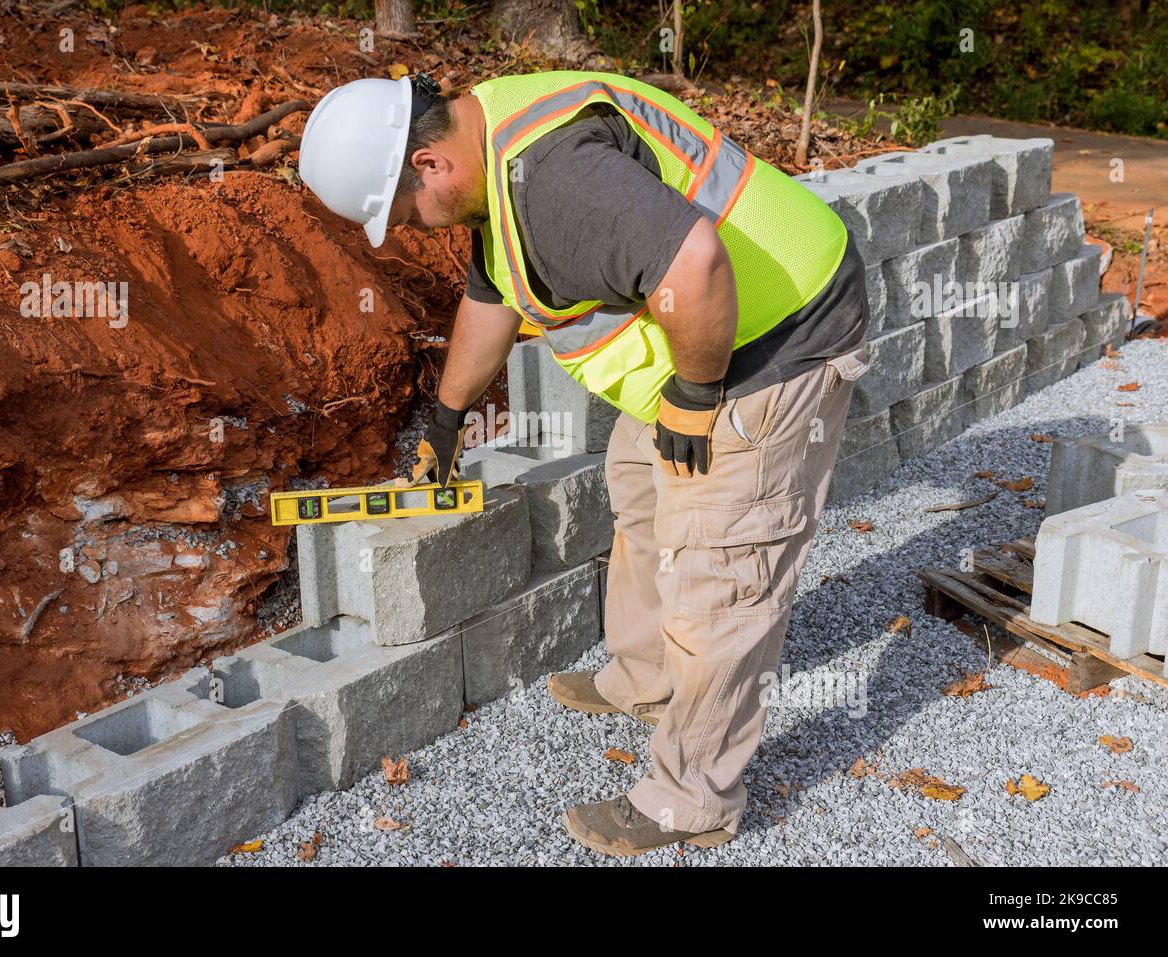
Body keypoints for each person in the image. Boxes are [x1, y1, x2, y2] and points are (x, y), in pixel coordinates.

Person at [297, 70, 871, 856]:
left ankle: (691, 798)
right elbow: (492, 297)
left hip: (775, 336)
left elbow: (697, 262)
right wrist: (445, 422)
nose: (410, 230)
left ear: (429, 165)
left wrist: (697, 396)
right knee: (639, 486)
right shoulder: (489, 139)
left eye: (402, 214)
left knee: (724, 571)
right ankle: (645, 678)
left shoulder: (551, 181)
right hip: (703, 340)